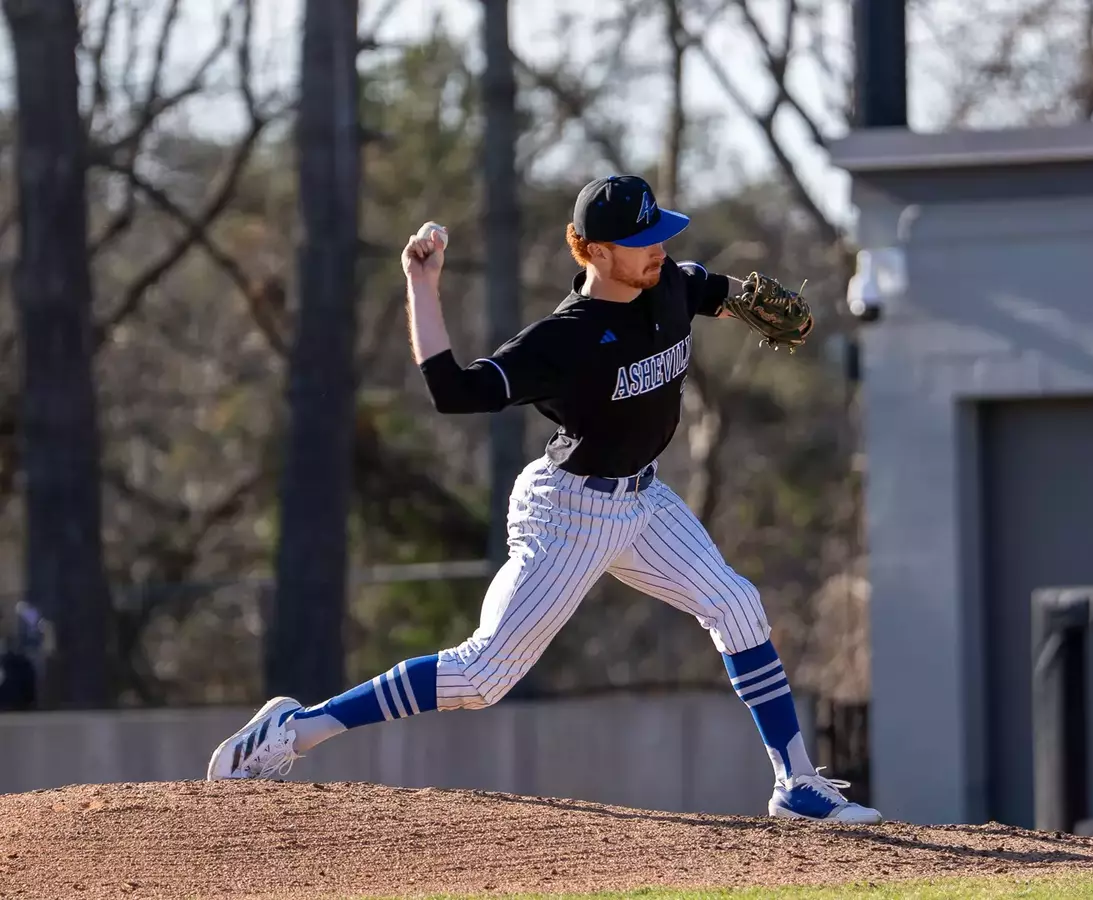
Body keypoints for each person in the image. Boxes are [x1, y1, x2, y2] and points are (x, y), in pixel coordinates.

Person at [205, 174, 881, 824]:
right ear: (597, 252)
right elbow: (454, 391)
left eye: (660, 234)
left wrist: (746, 301)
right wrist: (423, 286)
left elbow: (714, 288)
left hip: (644, 501)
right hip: (570, 512)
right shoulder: (563, 339)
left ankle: (796, 782)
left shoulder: (671, 283)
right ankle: (294, 731)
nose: (658, 248)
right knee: (480, 678)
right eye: (642, 240)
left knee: (737, 605)